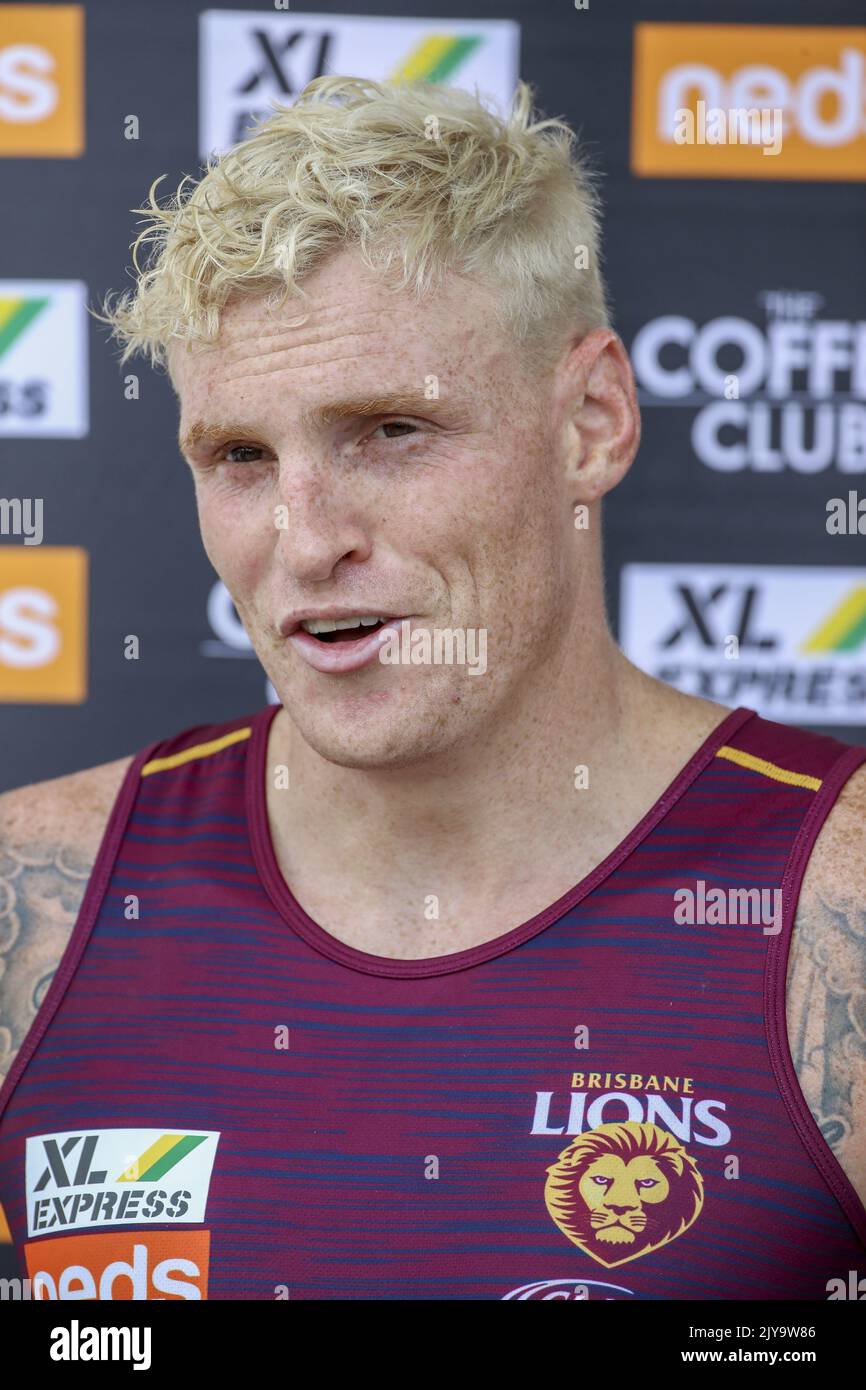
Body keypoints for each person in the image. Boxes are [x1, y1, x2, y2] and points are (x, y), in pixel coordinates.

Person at [0, 77, 863, 1301]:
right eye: (240, 456)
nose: (305, 544)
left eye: (390, 431)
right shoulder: (34, 900)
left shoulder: (835, 908)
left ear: (592, 423)